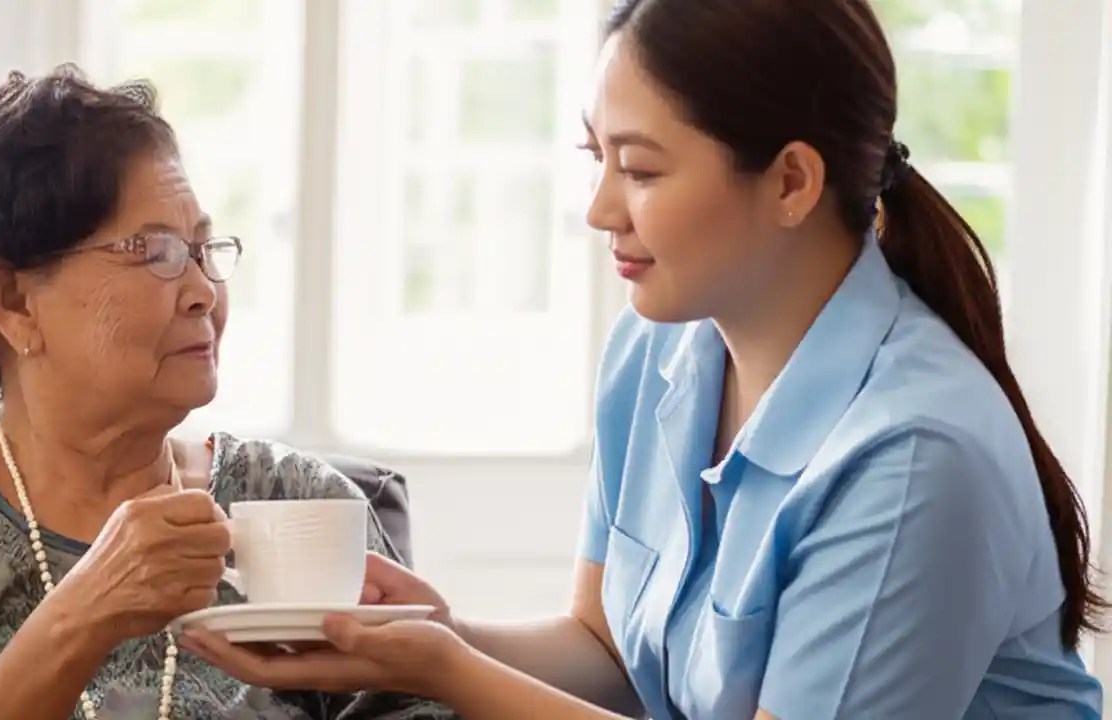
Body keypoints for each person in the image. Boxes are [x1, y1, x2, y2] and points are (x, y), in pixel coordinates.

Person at [177, 1, 1106, 718]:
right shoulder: (657, 348)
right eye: (597, 159)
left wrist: (445, 668)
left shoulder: (913, 457)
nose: (600, 208)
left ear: (791, 180)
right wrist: (433, 632)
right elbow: (611, 652)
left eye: (643, 169)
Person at [0, 67, 452, 720]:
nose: (205, 291)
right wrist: (82, 617)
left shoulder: (293, 503)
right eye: (157, 252)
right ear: (15, 302)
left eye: (203, 249)